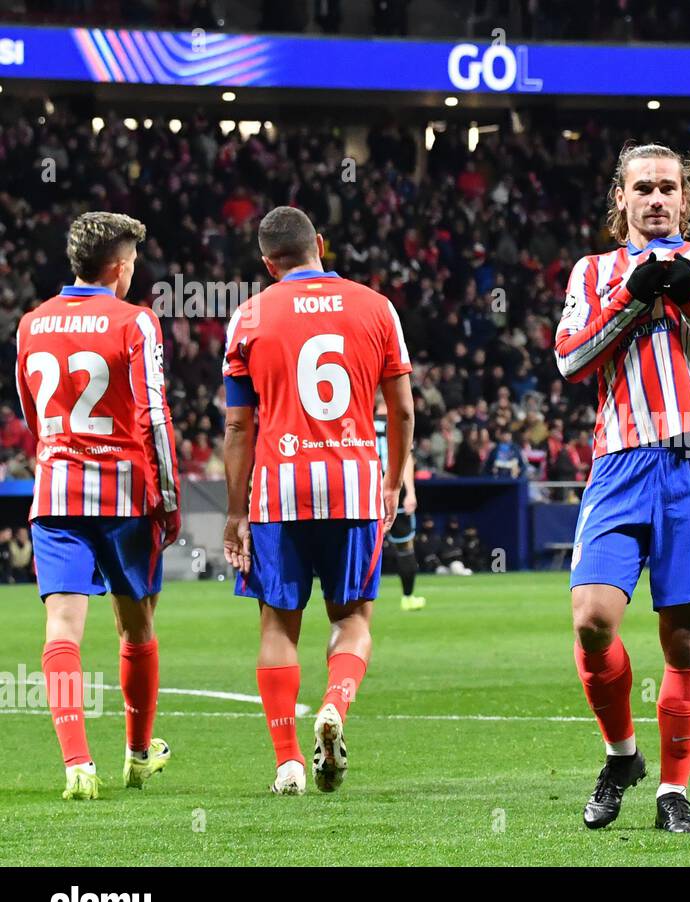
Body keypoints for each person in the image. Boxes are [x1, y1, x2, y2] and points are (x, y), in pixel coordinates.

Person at [554, 142, 690, 833]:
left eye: (667, 188)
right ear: (620, 198)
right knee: (592, 620)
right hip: (618, 464)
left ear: (684, 198)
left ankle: (673, 791)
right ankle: (622, 756)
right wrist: (630, 297)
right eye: (641, 187)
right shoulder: (593, 272)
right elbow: (569, 360)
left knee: (684, 641)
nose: (655, 198)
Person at [222, 206, 414, 795]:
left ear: (267, 263)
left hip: (279, 489)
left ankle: (288, 763)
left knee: (278, 624)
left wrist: (235, 514)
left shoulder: (249, 315)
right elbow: (403, 411)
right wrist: (393, 480)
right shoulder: (376, 306)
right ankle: (334, 703)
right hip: (353, 484)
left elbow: (238, 426)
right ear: (321, 246)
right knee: (351, 617)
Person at [15, 211, 181, 800]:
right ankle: (137, 755)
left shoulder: (31, 323)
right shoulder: (136, 322)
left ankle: (78, 766)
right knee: (136, 626)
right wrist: (169, 496)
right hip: (125, 495)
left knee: (62, 629)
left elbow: (33, 415)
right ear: (118, 267)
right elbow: (154, 413)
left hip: (57, 491)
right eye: (132, 261)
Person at [375, 393, 424, 611]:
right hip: (395, 490)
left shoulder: (363, 423)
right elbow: (406, 459)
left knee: (363, 545)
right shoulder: (396, 422)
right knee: (405, 545)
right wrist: (411, 492)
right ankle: (408, 597)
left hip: (367, 490)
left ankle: (354, 599)